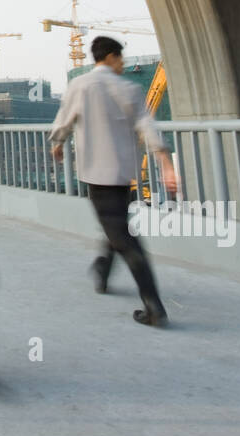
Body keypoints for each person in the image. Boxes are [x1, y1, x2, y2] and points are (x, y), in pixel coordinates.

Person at [48, 35, 177, 327]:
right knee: (117, 226)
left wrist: (57, 142)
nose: (123, 64)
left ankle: (152, 305)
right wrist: (166, 164)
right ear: (109, 57)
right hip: (124, 174)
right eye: (121, 58)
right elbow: (147, 126)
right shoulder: (130, 88)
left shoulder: (80, 85)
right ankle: (103, 271)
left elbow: (64, 118)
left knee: (124, 237)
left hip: (97, 174)